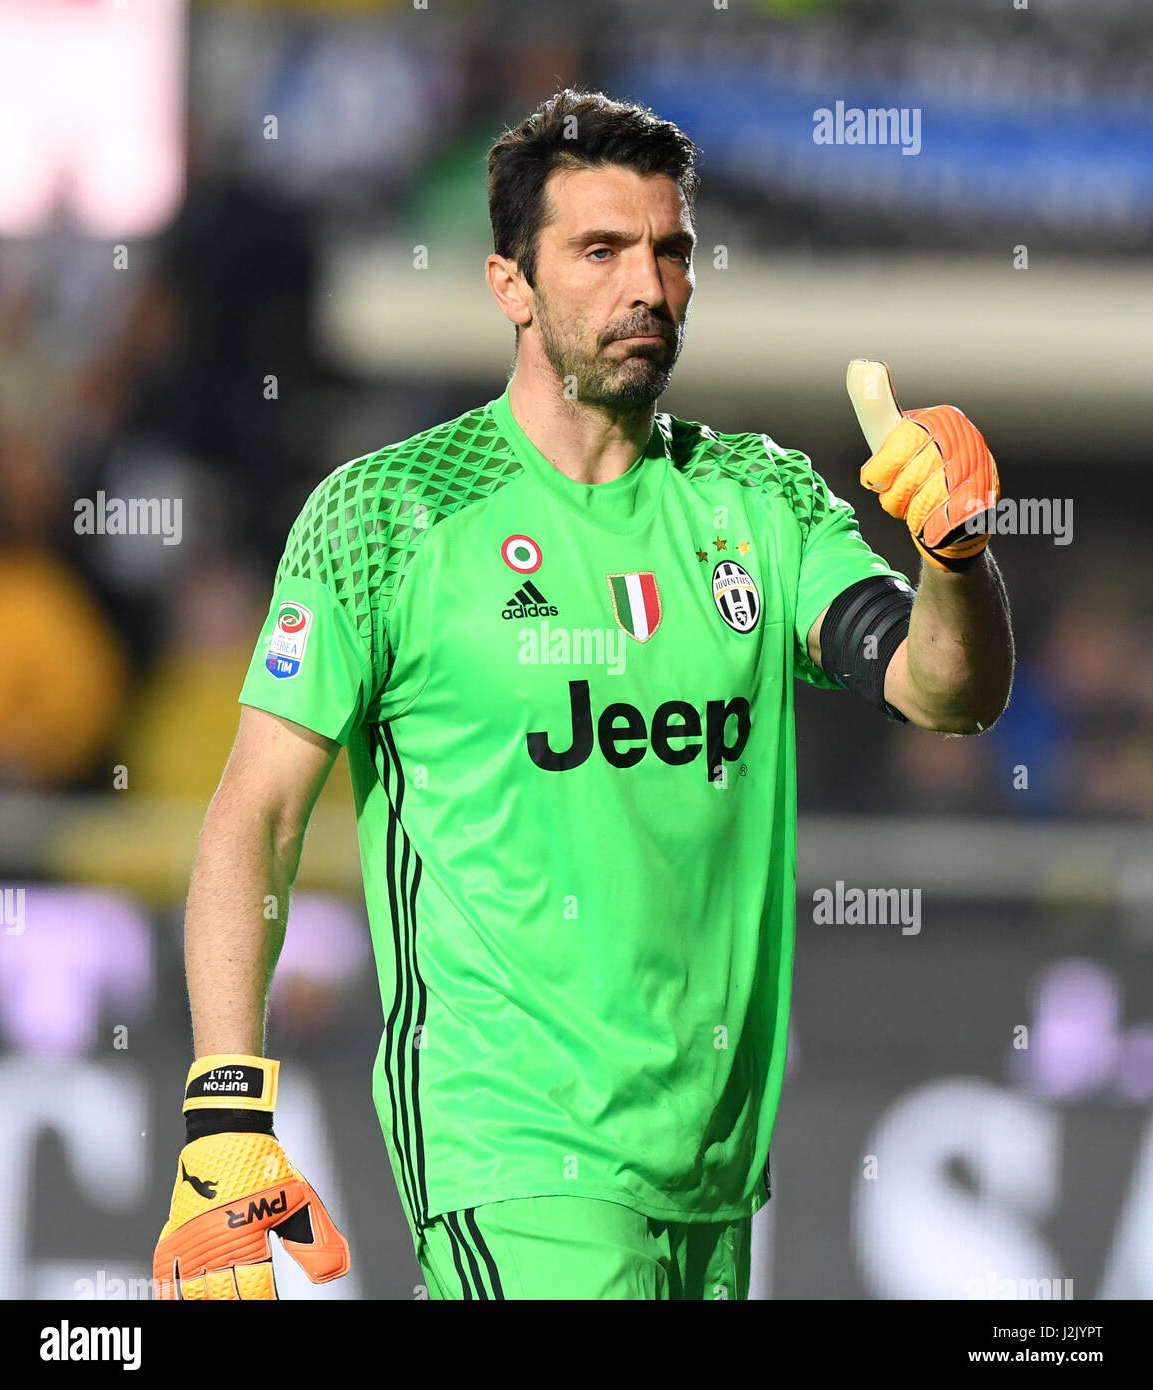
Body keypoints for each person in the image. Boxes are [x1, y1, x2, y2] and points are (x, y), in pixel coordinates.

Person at [154, 88, 1014, 1301]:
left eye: (670, 252)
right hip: (507, 1141)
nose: (646, 287)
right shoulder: (387, 516)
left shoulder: (756, 503)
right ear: (511, 283)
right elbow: (258, 814)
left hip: (711, 1173)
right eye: (599, 252)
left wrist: (953, 557)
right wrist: (223, 1112)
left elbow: (945, 692)